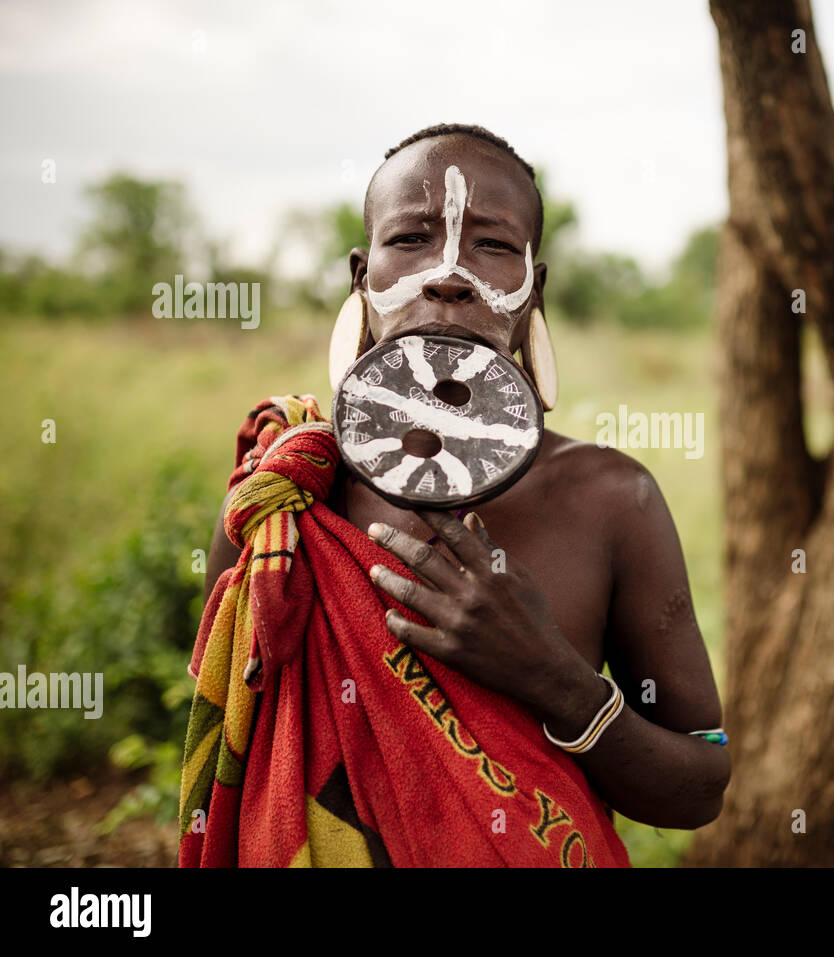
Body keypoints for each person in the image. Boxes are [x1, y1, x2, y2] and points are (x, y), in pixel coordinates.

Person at [179, 124, 729, 867]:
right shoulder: (282, 497)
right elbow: (235, 744)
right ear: (360, 277)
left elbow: (698, 789)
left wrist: (555, 680)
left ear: (534, 286)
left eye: (493, 246)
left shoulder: (610, 499)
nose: (448, 274)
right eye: (410, 239)